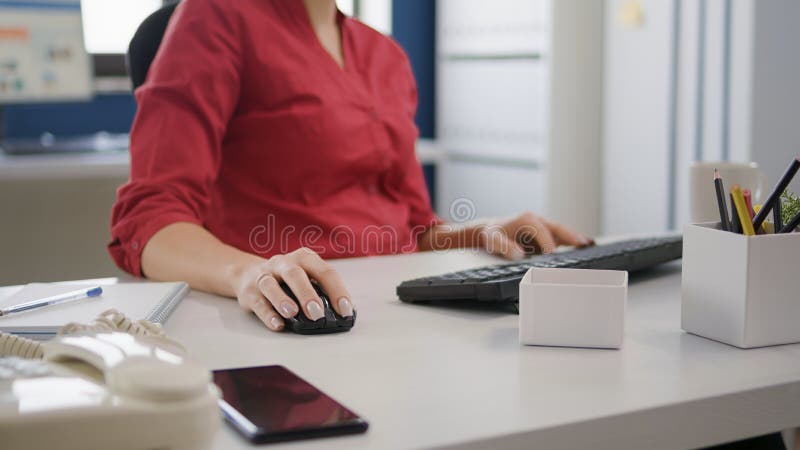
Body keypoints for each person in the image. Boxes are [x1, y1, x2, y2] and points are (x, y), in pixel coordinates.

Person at [109, 0, 592, 332]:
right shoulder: (217, 17)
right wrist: (247, 273)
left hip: (397, 311)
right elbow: (151, 223)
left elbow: (411, 230)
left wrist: (479, 232)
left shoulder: (385, 56)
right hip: (289, 319)